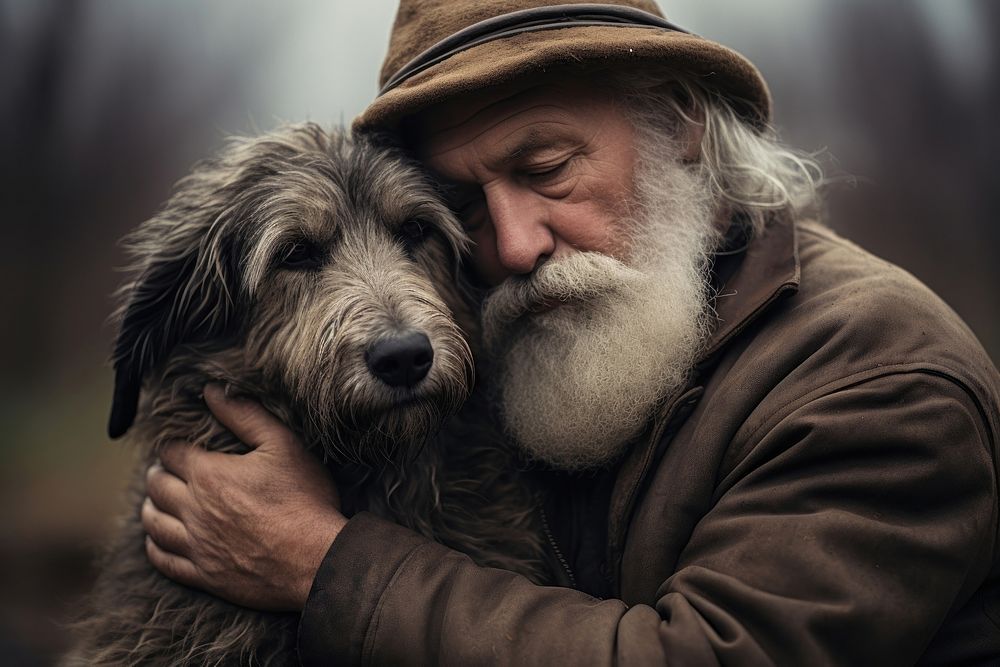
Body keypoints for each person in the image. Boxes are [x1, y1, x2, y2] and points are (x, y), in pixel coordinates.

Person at [141, 1, 1000, 664]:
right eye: (466, 205)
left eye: (547, 168)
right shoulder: (530, 335)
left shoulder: (883, 381)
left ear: (681, 121)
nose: (514, 245)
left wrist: (325, 563)